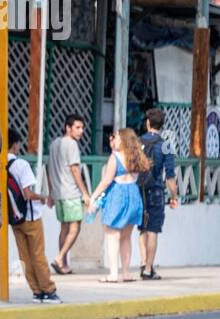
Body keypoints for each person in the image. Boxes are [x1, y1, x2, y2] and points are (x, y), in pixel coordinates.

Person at [5, 129, 60, 303]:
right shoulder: (21, 165)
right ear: (15, 145)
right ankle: (48, 290)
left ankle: (36, 291)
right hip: (30, 217)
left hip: (14, 219)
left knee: (25, 257)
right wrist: (44, 197)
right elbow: (28, 194)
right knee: (38, 255)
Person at [88, 128, 150, 283]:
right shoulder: (136, 157)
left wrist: (93, 197)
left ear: (122, 139)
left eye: (115, 137)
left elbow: (106, 181)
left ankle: (114, 274)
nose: (112, 140)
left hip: (118, 196)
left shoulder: (115, 157)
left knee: (112, 235)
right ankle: (126, 273)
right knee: (126, 237)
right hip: (134, 196)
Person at [45, 113, 92, 276]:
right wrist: (85, 193)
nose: (81, 131)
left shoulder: (54, 144)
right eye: (77, 127)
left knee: (64, 228)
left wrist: (51, 193)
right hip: (71, 192)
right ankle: (59, 258)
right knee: (75, 228)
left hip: (58, 193)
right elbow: (75, 170)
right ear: (68, 128)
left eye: (82, 128)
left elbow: (49, 169)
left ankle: (63, 264)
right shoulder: (71, 144)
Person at [137, 107, 180, 280]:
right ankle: (148, 269)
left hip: (139, 189)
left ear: (148, 123)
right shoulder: (166, 145)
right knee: (153, 229)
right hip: (155, 190)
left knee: (142, 228)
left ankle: (142, 262)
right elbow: (170, 175)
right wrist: (174, 196)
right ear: (162, 125)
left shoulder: (138, 142)